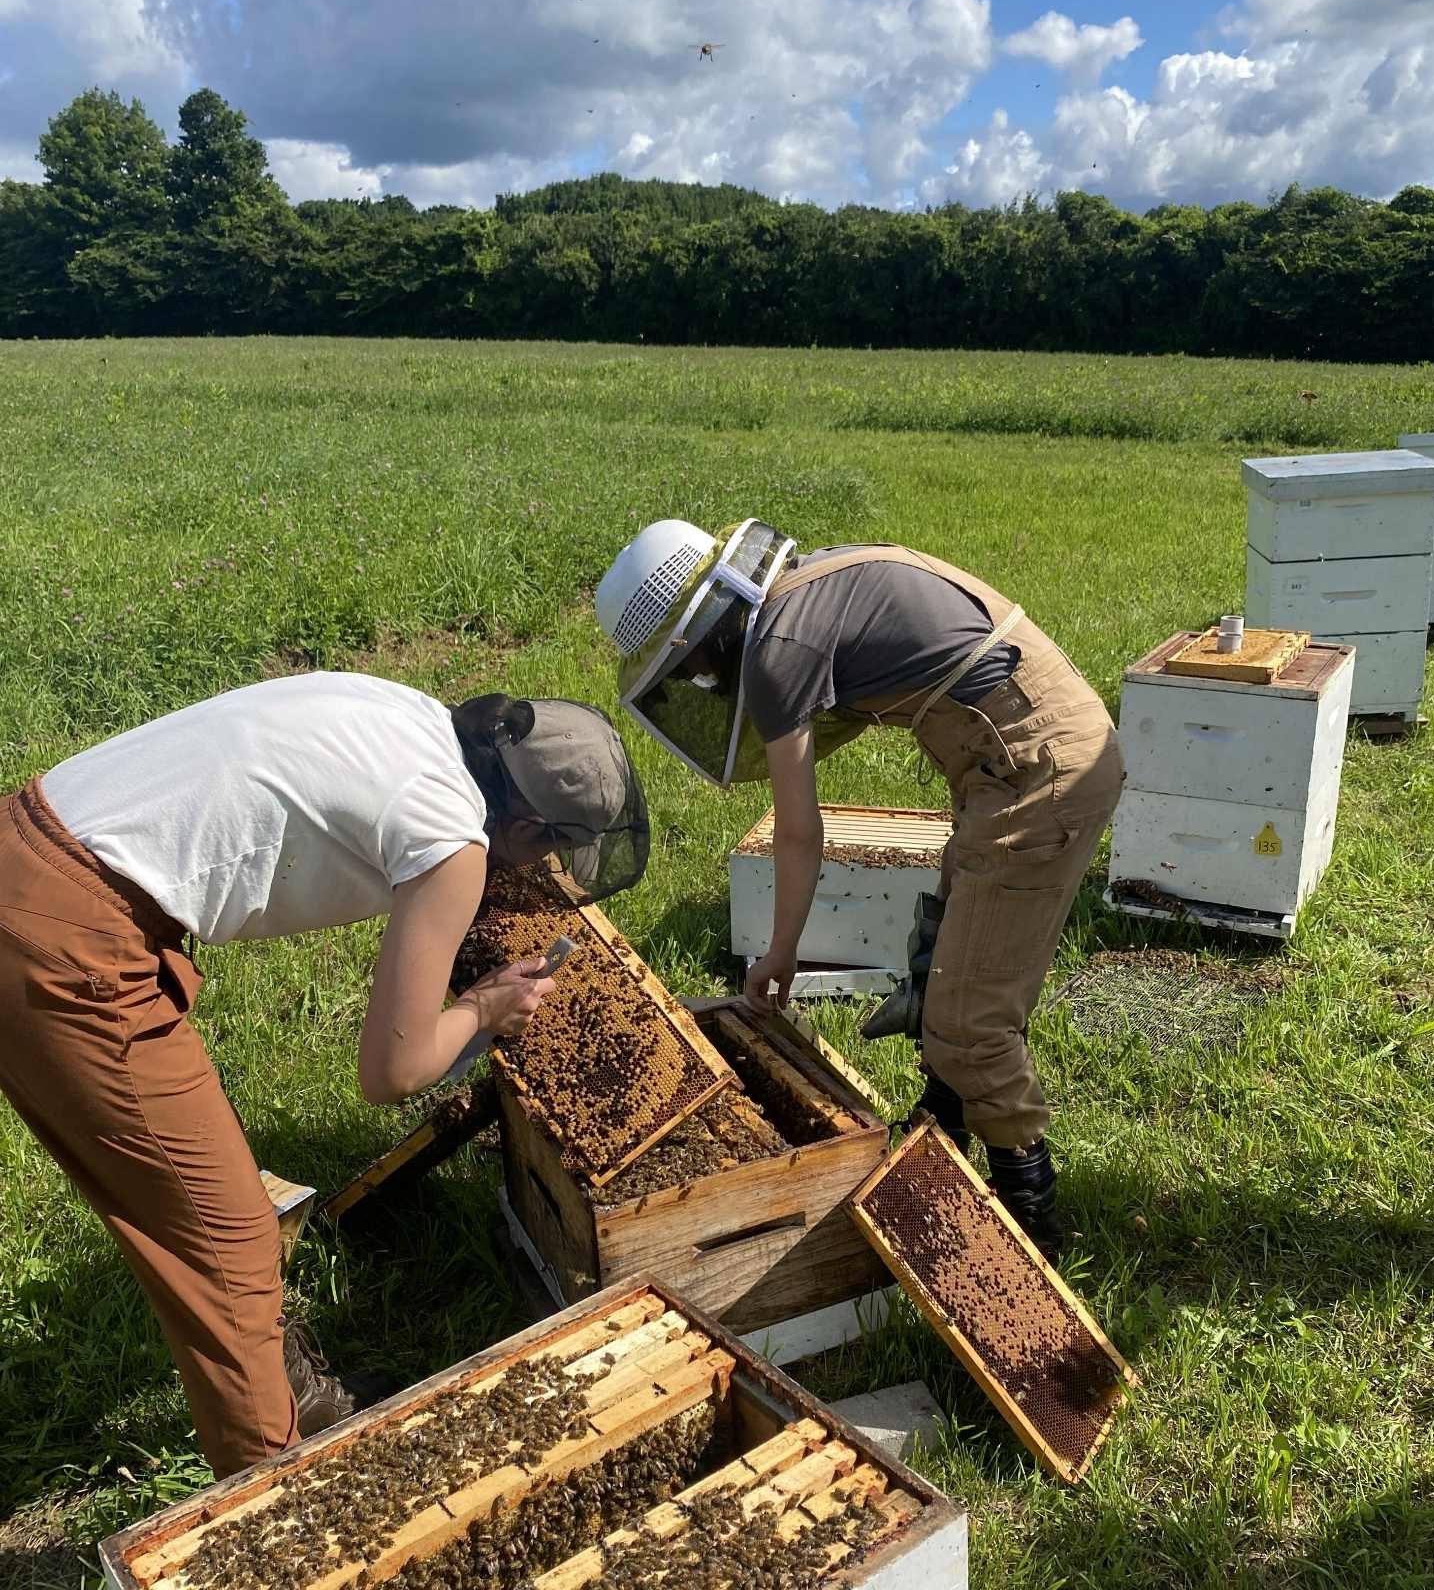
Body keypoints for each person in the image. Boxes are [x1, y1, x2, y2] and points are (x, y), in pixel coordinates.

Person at [0, 674, 647, 1478]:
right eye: (547, 846)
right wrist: (481, 1010)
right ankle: (274, 1496)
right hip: (70, 941)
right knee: (227, 1235)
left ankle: (289, 1395)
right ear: (522, 822)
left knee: (206, 1194)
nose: (540, 866)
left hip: (27, 843)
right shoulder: (452, 843)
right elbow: (393, 1070)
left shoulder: (402, 710)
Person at [594, 518, 1121, 1254]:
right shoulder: (807, 587)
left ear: (701, 633)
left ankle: (1031, 1230)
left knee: (970, 1021)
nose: (700, 684)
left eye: (686, 669)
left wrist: (780, 953)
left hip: (1035, 767)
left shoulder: (777, 650)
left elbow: (799, 829)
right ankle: (937, 1144)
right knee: (945, 962)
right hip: (1010, 759)